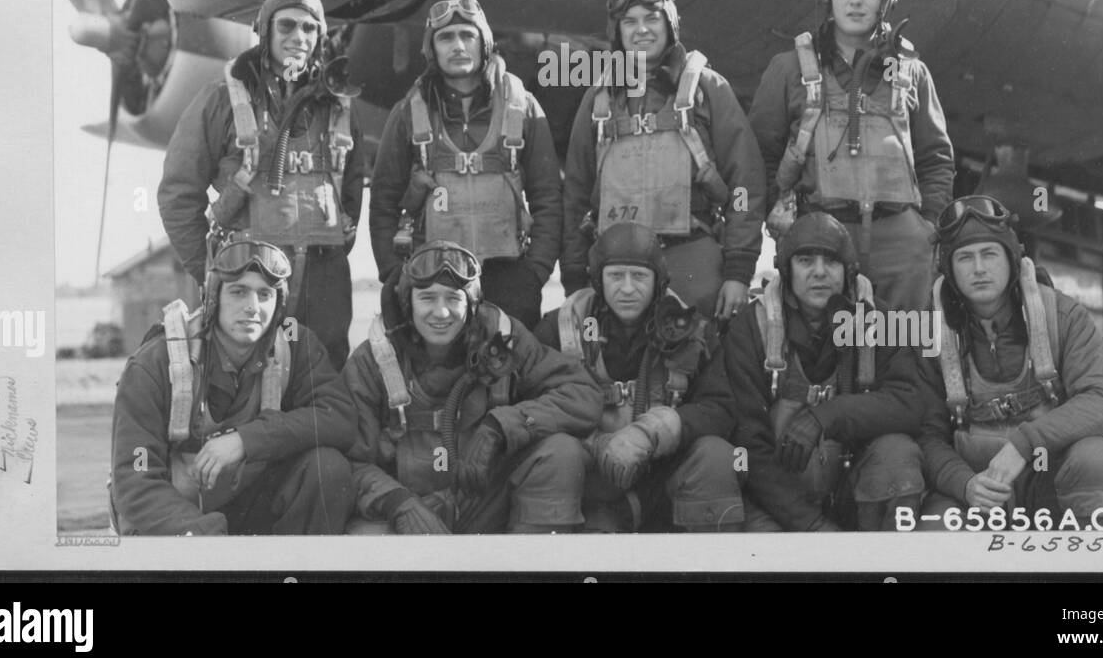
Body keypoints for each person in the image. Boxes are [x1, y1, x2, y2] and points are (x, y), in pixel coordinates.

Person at [158, 0, 363, 371]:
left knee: (326, 392)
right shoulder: (221, 100)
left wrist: (328, 256)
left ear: (321, 37)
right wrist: (210, 269)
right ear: (265, 31)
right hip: (249, 279)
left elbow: (350, 197)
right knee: (247, 390)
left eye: (309, 29)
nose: (298, 38)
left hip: (324, 284)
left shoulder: (339, 107)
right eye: (287, 26)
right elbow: (177, 194)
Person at [343, 241, 601, 534]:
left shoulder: (505, 341)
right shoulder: (373, 360)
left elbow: (582, 393)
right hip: (405, 508)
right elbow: (348, 458)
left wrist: (502, 425)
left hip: (482, 499)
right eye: (427, 298)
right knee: (364, 543)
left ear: (472, 302)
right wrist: (398, 504)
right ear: (407, 302)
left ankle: (533, 566)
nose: (441, 313)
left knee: (560, 452)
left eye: (453, 299)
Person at [748, 0, 954, 312]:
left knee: (905, 354)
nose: (856, 1)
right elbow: (759, 154)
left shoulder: (911, 72)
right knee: (821, 355)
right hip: (821, 239)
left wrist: (928, 227)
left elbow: (935, 159)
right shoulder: (789, 68)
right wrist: (780, 221)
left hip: (901, 245)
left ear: (884, 1)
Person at [109, 237, 357, 535]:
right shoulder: (157, 362)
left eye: (265, 294)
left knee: (327, 469)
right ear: (213, 297)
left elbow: (339, 417)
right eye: (239, 292)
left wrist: (246, 440)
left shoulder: (294, 344)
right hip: (172, 518)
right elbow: (135, 478)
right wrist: (206, 535)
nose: (252, 307)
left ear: (279, 303)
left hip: (249, 503)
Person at [918, 196, 1103, 528]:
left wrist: (1024, 444)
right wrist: (964, 484)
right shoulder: (931, 334)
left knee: (1100, 462)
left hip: (1050, 474)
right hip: (978, 487)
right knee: (935, 526)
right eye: (964, 258)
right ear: (949, 270)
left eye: (989, 254)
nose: (978, 269)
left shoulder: (1061, 316)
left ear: (1011, 258)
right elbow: (928, 435)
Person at [561, 0, 766, 322]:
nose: (642, 30)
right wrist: (573, 277)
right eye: (630, 22)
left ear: (669, 25)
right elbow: (576, 195)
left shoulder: (708, 89)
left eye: (652, 19)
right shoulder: (598, 102)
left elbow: (746, 182)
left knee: (700, 359)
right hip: (616, 268)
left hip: (690, 261)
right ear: (618, 32)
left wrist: (738, 271)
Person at [724, 211, 928, 531]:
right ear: (787, 270)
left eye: (831, 262)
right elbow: (749, 443)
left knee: (898, 452)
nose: (819, 273)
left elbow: (909, 403)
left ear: (848, 272)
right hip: (776, 500)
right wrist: (813, 526)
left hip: (853, 488)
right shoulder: (752, 327)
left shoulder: (882, 320)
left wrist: (826, 416)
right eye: (805, 261)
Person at [367, 0, 562, 330]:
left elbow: (549, 198)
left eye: (467, 36)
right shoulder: (408, 114)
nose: (457, 45)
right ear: (432, 48)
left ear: (483, 43)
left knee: (513, 376)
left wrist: (535, 272)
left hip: (510, 278)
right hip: (434, 280)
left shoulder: (523, 108)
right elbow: (383, 202)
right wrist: (394, 275)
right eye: (446, 37)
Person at [535, 222, 742, 532]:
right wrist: (598, 443)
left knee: (716, 455)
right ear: (597, 279)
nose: (628, 288)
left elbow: (720, 407)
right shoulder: (560, 329)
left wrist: (655, 432)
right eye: (616, 276)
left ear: (658, 281)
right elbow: (531, 407)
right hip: (594, 485)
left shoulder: (694, 332)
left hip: (666, 478)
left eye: (640, 276)